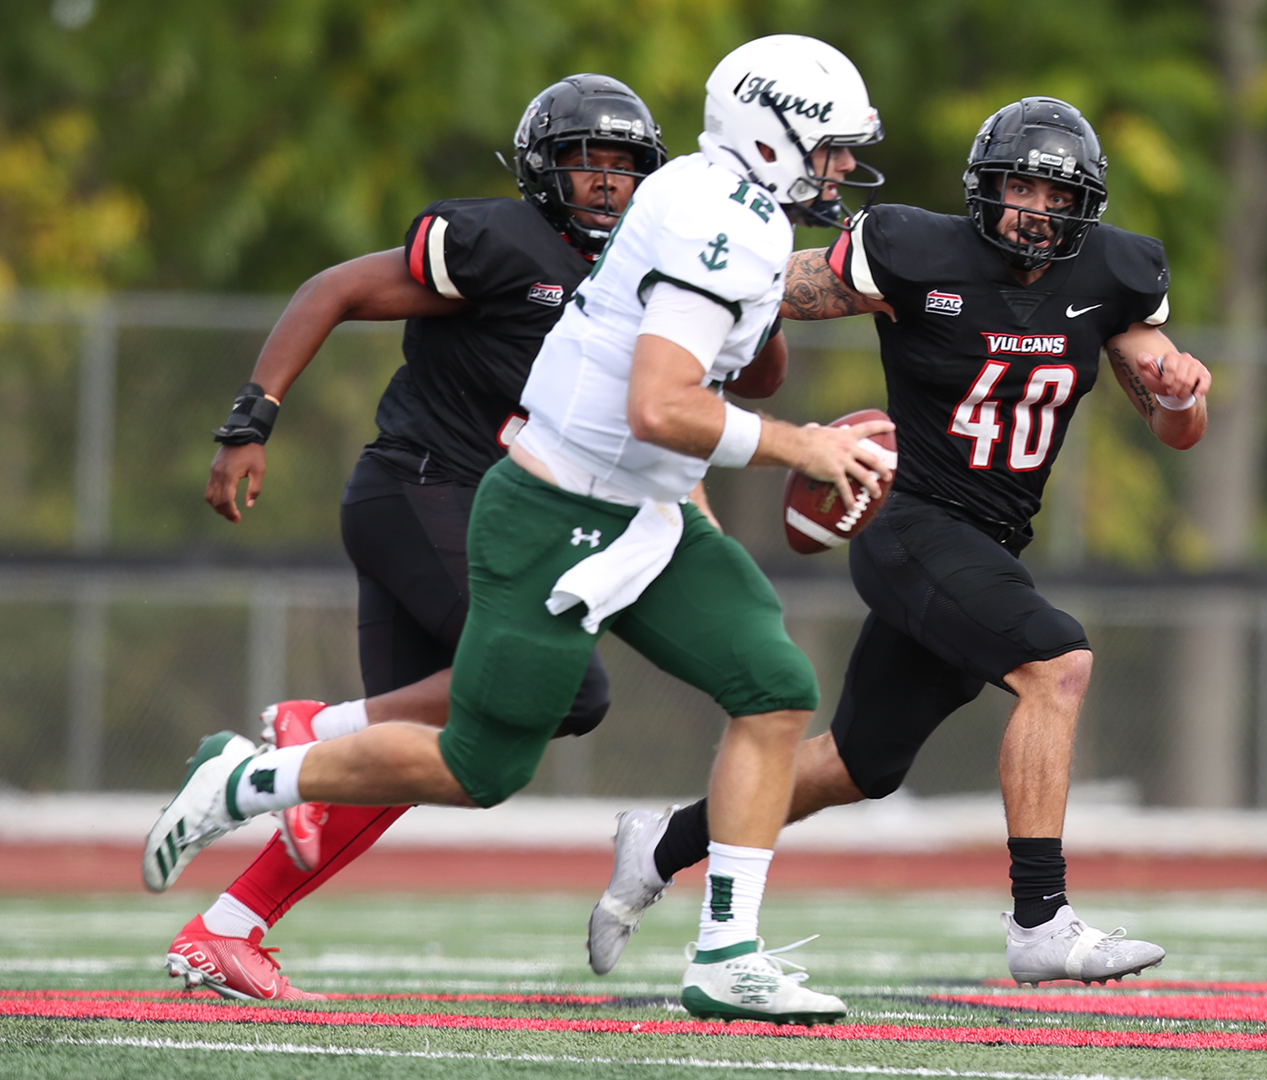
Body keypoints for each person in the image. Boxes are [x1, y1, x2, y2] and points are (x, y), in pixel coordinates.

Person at [145, 35, 890, 1026]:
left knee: (773, 686)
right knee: (480, 757)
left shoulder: (713, 208)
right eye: (831, 146)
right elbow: (661, 405)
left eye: (623, 163)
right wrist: (798, 447)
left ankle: (727, 952)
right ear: (772, 136)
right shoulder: (574, 232)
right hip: (503, 497)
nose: (607, 183)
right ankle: (273, 761)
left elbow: (737, 371)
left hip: (634, 505)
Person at [588, 97, 1210, 987]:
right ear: (983, 190)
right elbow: (764, 285)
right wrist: (663, 325)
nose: (1034, 207)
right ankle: (1040, 917)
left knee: (855, 766)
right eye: (1018, 185)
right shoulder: (915, 250)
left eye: (1054, 191)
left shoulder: (1115, 276)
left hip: (991, 544)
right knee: (1057, 663)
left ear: (1086, 208)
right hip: (911, 523)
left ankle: (659, 845)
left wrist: (1184, 394)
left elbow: (1175, 426)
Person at [162, 74, 678, 1002]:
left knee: (410, 757)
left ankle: (225, 930)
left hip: (489, 512)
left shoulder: (646, 275)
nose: (605, 181)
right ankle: (303, 733)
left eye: (623, 164)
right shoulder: (500, 242)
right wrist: (250, 421)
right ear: (541, 168)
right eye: (584, 160)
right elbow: (333, 288)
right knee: (569, 684)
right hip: (424, 491)